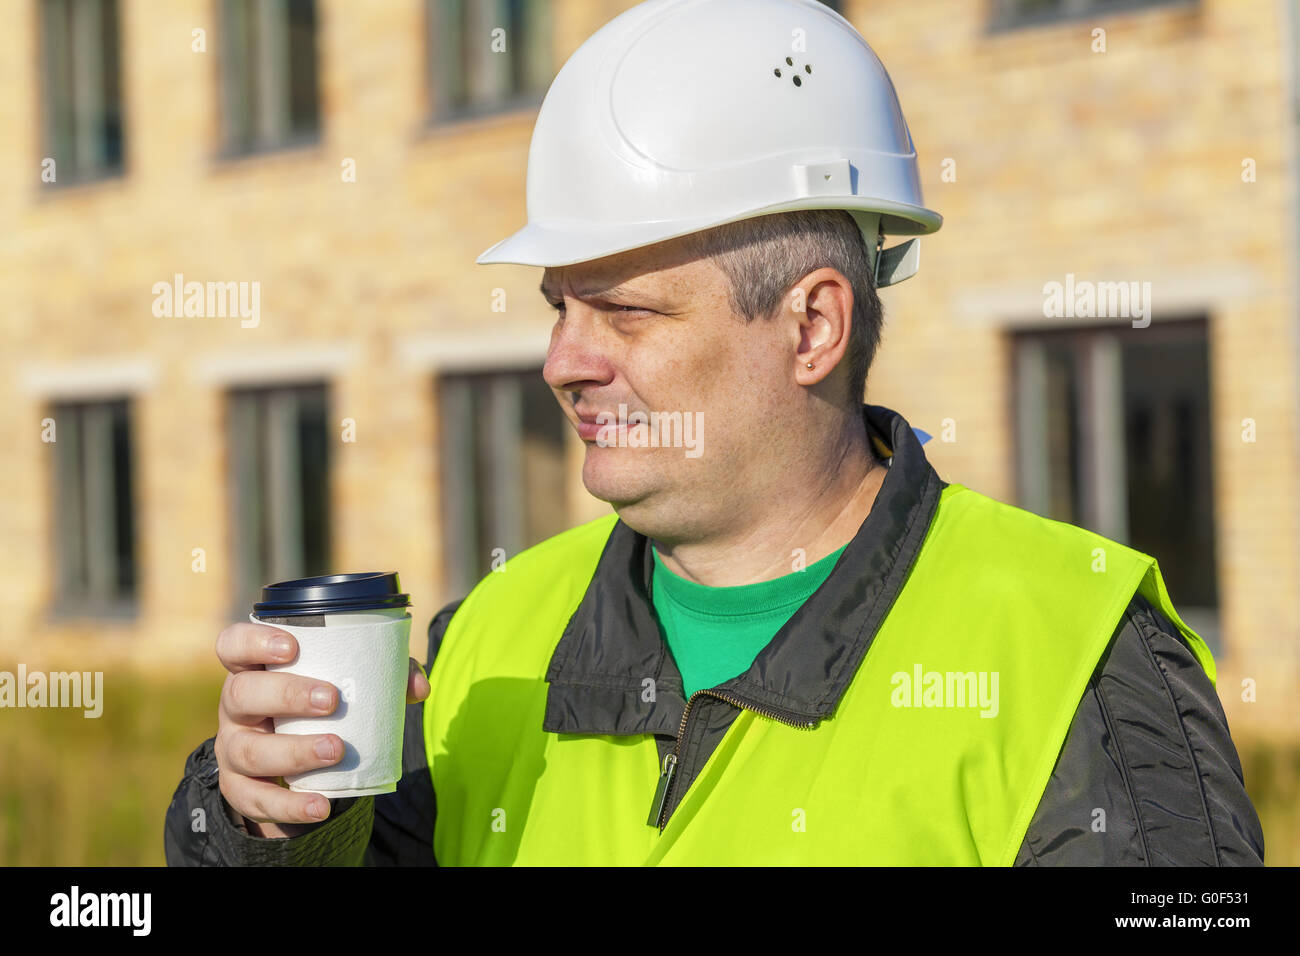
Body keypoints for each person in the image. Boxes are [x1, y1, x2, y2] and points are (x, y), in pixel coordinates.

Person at [165, 0, 1264, 865]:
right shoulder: (486, 641)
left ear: (813, 324)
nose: (563, 360)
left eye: (628, 311)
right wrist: (265, 822)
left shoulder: (1076, 654)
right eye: (560, 306)